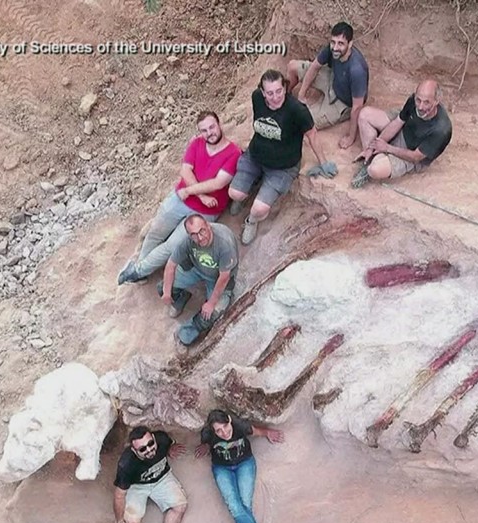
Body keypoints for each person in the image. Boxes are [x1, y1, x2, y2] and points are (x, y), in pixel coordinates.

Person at [117, 111, 242, 285]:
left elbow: (218, 183)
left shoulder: (233, 152)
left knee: (172, 245)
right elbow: (185, 170)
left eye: (212, 127)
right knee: (155, 232)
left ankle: (138, 271)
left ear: (219, 125)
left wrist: (190, 191)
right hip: (182, 198)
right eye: (204, 130)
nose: (209, 133)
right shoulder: (196, 143)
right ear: (199, 132)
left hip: (205, 211)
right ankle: (142, 270)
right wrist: (200, 195)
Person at [228, 69, 331, 246]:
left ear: (284, 88)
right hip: (255, 156)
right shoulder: (256, 98)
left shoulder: (297, 110)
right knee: (234, 194)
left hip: (283, 167)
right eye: (270, 93)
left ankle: (251, 221)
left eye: (278, 91)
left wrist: (323, 162)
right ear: (262, 92)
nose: (275, 97)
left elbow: (312, 134)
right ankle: (248, 190)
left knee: (259, 209)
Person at [350, 79, 453, 188]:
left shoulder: (441, 130)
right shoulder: (413, 100)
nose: (420, 107)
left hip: (412, 153)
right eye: (418, 100)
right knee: (365, 115)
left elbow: (415, 157)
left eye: (426, 102)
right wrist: (373, 147)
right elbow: (398, 122)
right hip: (405, 130)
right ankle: (372, 155)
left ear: (436, 101)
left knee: (374, 170)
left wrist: (387, 148)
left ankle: (374, 160)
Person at [195, 409, 284, 523]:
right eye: (218, 430)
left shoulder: (239, 425)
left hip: (244, 463)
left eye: (225, 426)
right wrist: (205, 446)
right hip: (222, 468)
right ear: (213, 431)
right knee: (234, 507)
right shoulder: (207, 434)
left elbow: (255, 431)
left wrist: (268, 433)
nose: (224, 432)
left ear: (229, 420)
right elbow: (206, 443)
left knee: (245, 504)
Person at [286, 21, 370, 149]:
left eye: (341, 43)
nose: (335, 47)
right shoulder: (333, 49)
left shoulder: (356, 70)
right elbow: (315, 67)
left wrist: (350, 137)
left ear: (350, 44)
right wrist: (301, 95)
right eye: (333, 42)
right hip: (333, 79)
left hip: (343, 102)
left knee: (299, 120)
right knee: (292, 66)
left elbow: (357, 107)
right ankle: (285, 96)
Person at [157, 214, 238, 346]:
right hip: (196, 269)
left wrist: (211, 303)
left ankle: (184, 335)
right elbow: (171, 265)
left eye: (202, 231)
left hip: (218, 278)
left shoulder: (224, 244)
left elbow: (224, 277)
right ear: (189, 235)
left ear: (208, 226)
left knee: (209, 316)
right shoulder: (188, 241)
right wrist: (166, 292)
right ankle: (181, 298)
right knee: (163, 287)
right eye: (194, 235)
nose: (200, 238)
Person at [113, 426, 188, 523]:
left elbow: (170, 442)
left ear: (153, 437)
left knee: (181, 506)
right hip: (138, 486)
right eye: (142, 449)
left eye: (151, 443)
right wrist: (120, 520)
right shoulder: (126, 463)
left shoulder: (162, 438)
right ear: (134, 450)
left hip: (162, 478)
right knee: (130, 522)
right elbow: (119, 495)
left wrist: (170, 449)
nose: (149, 449)